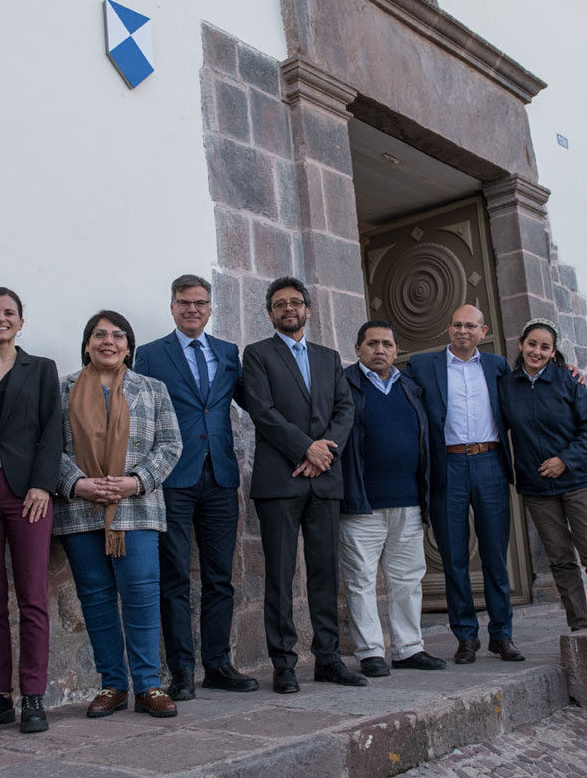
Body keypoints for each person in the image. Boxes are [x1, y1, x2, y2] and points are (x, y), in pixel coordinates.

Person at [134, 275, 258, 700]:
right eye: (185, 302)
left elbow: (251, 402)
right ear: (172, 306)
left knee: (220, 577)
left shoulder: (227, 354)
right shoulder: (150, 355)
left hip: (221, 476)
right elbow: (139, 415)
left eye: (200, 303)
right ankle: (182, 670)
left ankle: (219, 663)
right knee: (174, 578)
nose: (193, 309)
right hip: (173, 478)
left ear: (210, 308)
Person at [54, 311, 182, 719]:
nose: (108, 341)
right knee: (95, 600)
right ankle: (113, 685)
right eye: (99, 335)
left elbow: (170, 445)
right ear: (87, 343)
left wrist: (137, 481)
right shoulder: (62, 390)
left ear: (129, 345)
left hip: (137, 508)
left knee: (142, 597)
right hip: (81, 509)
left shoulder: (153, 388)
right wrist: (77, 483)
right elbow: (48, 447)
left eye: (118, 335)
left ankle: (148, 685)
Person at [243, 276, 365, 693]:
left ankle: (328, 658)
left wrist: (323, 453)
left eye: (296, 302)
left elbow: (345, 410)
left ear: (308, 310)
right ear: (271, 313)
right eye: (280, 305)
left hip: (324, 480)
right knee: (280, 574)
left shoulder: (329, 357)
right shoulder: (257, 355)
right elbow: (263, 410)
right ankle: (284, 664)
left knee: (325, 574)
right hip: (280, 481)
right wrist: (305, 450)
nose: (289, 309)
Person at [0, 287, 62, 734]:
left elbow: (51, 432)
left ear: (21, 322)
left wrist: (43, 484)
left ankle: (34, 697)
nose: (0, 319)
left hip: (29, 495)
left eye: (9, 313)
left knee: (33, 596)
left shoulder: (40, 369)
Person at [403, 305, 523, 664]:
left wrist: (570, 373)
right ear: (449, 328)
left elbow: (529, 385)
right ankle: (466, 637)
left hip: (489, 462)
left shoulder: (497, 366)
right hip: (448, 465)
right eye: (457, 324)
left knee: (494, 557)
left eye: (471, 325)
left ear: (483, 331)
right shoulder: (424, 365)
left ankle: (502, 636)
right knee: (454, 557)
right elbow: (395, 390)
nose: (463, 331)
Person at [499, 318, 587, 632]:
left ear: (554, 352)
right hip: (537, 488)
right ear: (521, 344)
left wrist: (564, 461)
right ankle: (580, 627)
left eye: (545, 347)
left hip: (578, 481)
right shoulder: (506, 385)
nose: (536, 352)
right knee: (560, 559)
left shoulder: (568, 381)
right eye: (532, 344)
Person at [339, 321, 446, 677]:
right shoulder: (344, 384)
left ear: (397, 351)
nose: (379, 350)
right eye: (371, 344)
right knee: (361, 580)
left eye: (386, 344)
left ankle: (408, 648)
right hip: (362, 503)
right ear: (357, 349)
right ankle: (370, 652)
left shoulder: (412, 388)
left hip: (409, 502)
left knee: (407, 580)